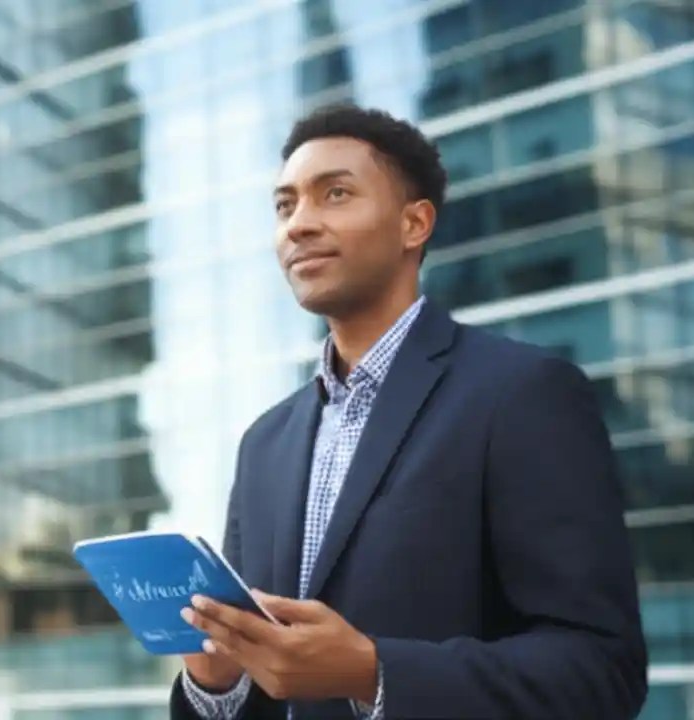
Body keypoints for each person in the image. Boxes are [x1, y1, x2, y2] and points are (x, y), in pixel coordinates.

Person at [169, 105, 649, 719]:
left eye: (334, 194)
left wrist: (373, 672)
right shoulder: (264, 442)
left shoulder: (522, 394)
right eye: (285, 206)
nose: (299, 225)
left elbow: (600, 671)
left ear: (414, 224)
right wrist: (216, 682)